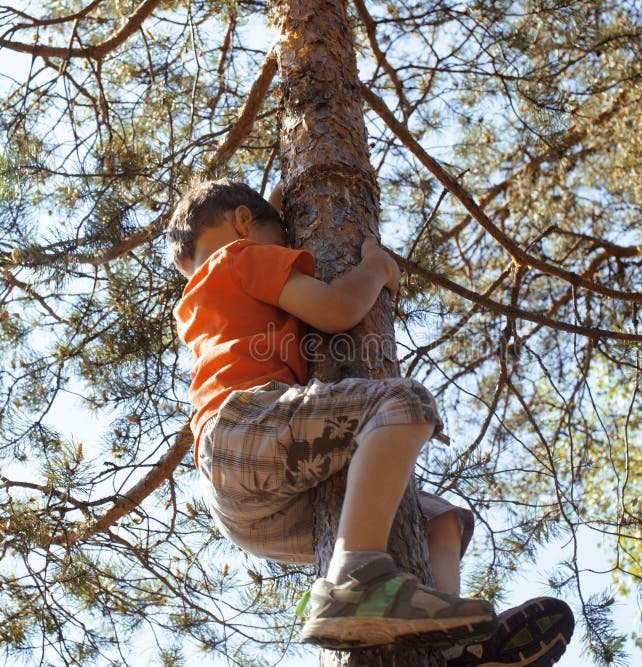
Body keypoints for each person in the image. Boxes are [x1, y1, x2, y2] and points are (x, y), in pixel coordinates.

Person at [169, 178, 574, 664]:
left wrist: (270, 211)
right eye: (283, 244)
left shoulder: (208, 296)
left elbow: (259, 235)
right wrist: (375, 269)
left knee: (441, 519)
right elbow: (338, 309)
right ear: (241, 224)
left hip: (248, 501)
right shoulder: (237, 257)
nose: (289, 256)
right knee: (403, 402)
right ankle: (355, 580)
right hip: (243, 429)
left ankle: (457, 650)